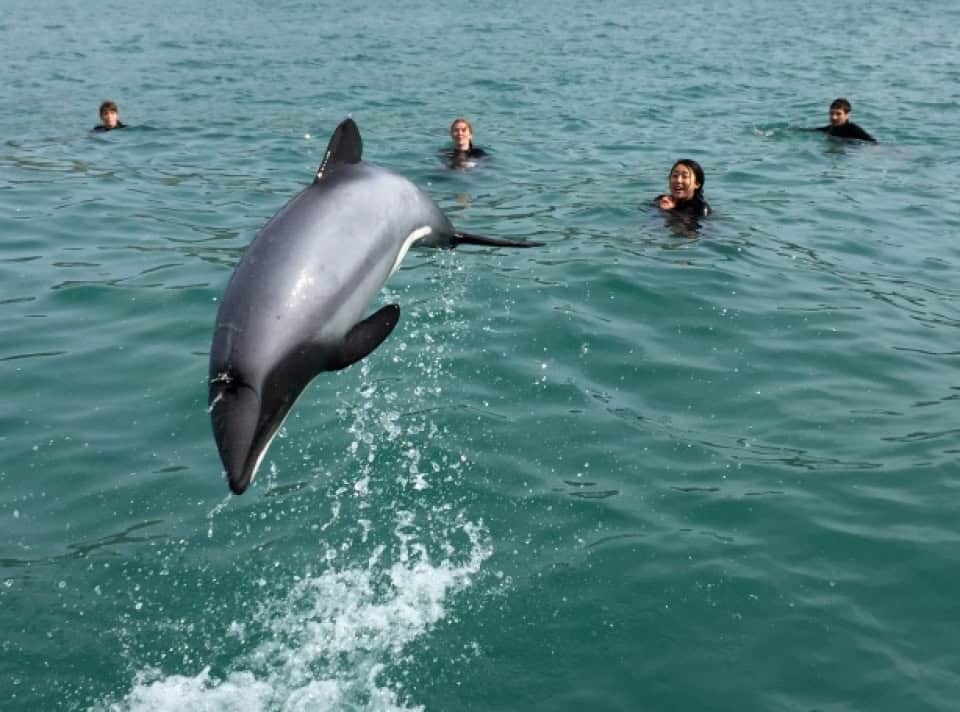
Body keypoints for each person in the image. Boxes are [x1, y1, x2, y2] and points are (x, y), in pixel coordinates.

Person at [807, 98, 875, 142]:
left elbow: (873, 143)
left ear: (847, 115)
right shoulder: (830, 129)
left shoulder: (853, 129)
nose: (834, 117)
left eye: (838, 114)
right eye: (831, 113)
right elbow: (816, 131)